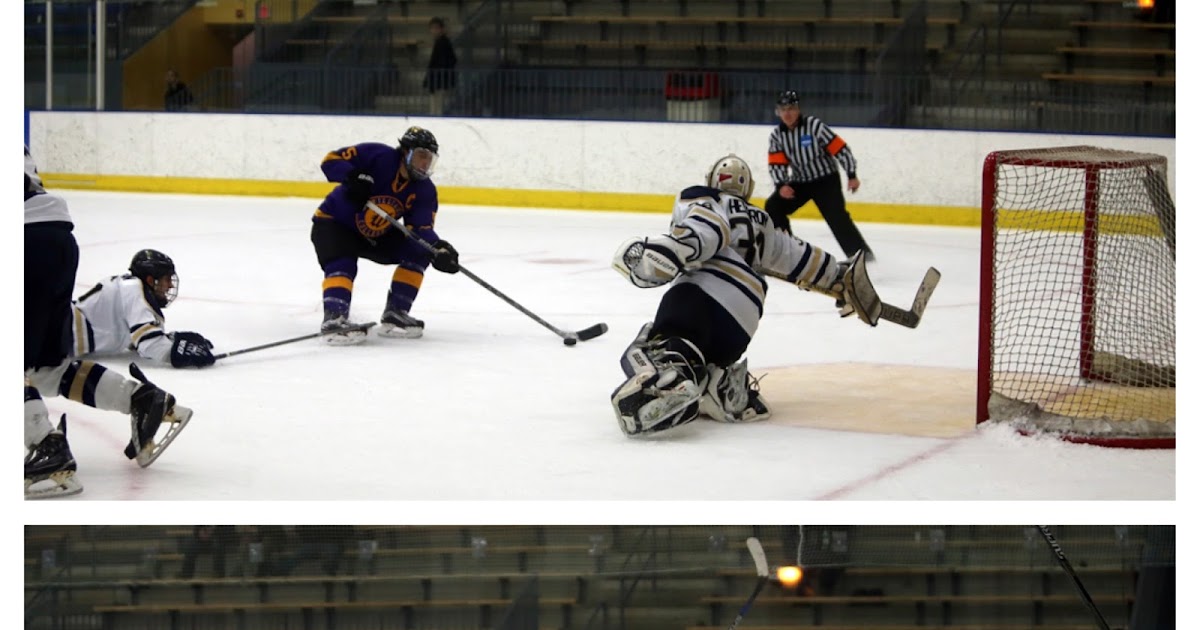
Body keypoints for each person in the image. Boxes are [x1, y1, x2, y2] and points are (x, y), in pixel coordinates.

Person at [610, 154, 873, 436]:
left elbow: (708, 227)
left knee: (658, 346)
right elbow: (797, 254)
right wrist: (837, 276)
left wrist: (674, 250)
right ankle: (718, 385)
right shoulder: (764, 221)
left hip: (704, 294)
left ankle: (672, 382)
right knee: (703, 357)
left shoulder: (704, 197)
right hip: (745, 316)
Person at [24, 145, 194, 499]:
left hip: (25, 239)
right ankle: (142, 400)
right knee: (44, 368)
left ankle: (48, 450)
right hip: (55, 236)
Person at [311, 126, 460, 344]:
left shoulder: (424, 189)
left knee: (419, 251)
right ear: (405, 152)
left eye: (429, 159)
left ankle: (396, 313)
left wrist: (437, 248)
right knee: (343, 262)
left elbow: (421, 230)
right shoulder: (377, 155)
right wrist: (353, 176)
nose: (425, 163)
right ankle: (335, 317)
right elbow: (331, 160)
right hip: (335, 223)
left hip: (374, 234)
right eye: (421, 156)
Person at [765, 90, 873, 261]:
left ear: (798, 109)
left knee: (837, 217)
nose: (787, 113)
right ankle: (789, 253)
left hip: (825, 180)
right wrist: (781, 185)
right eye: (783, 109)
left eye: (791, 108)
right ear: (778, 112)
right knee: (773, 206)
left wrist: (851, 174)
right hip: (801, 182)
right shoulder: (777, 136)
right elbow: (776, 163)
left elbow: (840, 149)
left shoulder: (814, 126)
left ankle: (863, 258)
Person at [70, 249, 216, 369]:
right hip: (55, 331)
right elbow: (149, 345)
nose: (170, 285)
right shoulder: (133, 289)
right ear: (150, 280)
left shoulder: (129, 286)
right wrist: (179, 352)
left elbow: (137, 339)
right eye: (167, 279)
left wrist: (174, 340)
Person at [422, 17, 457, 116]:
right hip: (437, 80)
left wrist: (439, 76)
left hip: (439, 80)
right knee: (435, 106)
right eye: (432, 28)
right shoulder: (439, 42)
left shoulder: (444, 42)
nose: (434, 31)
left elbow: (448, 61)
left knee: (437, 107)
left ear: (442, 29)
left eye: (436, 28)